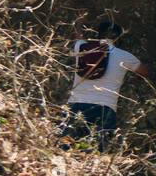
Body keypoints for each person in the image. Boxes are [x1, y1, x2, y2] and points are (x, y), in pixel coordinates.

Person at [61, 20, 150, 152]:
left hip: (75, 105)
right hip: (104, 109)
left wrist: (78, 24)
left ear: (99, 34)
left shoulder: (81, 48)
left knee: (65, 152)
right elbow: (145, 72)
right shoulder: (125, 56)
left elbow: (77, 37)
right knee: (96, 153)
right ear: (119, 38)